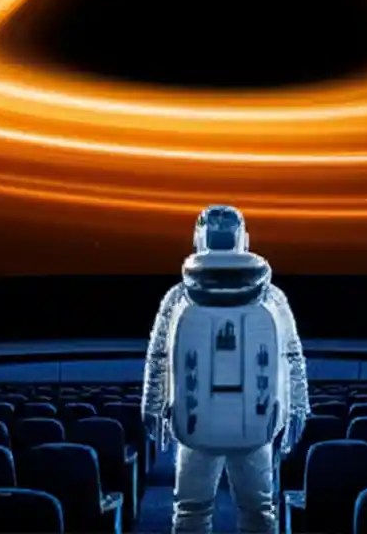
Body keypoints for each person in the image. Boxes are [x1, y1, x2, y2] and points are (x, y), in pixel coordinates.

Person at [142, 205, 309, 534]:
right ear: (242, 239)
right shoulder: (270, 297)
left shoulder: (179, 297)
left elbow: (160, 355)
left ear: (199, 238)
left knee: (191, 510)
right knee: (258, 511)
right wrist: (298, 407)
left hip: (196, 422)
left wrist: (152, 404)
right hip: (254, 423)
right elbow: (290, 356)